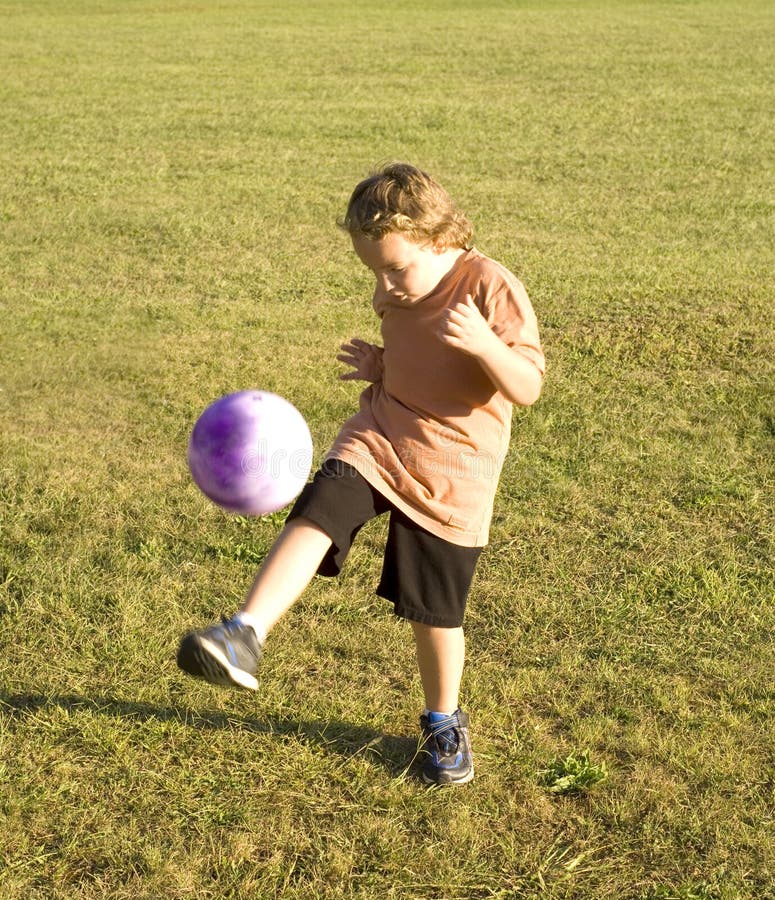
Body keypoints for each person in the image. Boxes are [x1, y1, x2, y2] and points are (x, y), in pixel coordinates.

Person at [177, 163, 545, 786]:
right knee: (323, 504)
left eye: (396, 268)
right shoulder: (399, 281)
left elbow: (528, 386)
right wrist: (383, 364)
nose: (384, 286)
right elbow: (414, 344)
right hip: (382, 431)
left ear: (440, 240)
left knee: (435, 612)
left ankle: (443, 721)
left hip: (454, 467)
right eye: (372, 270)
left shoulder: (489, 286)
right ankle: (245, 631)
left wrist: (486, 346)